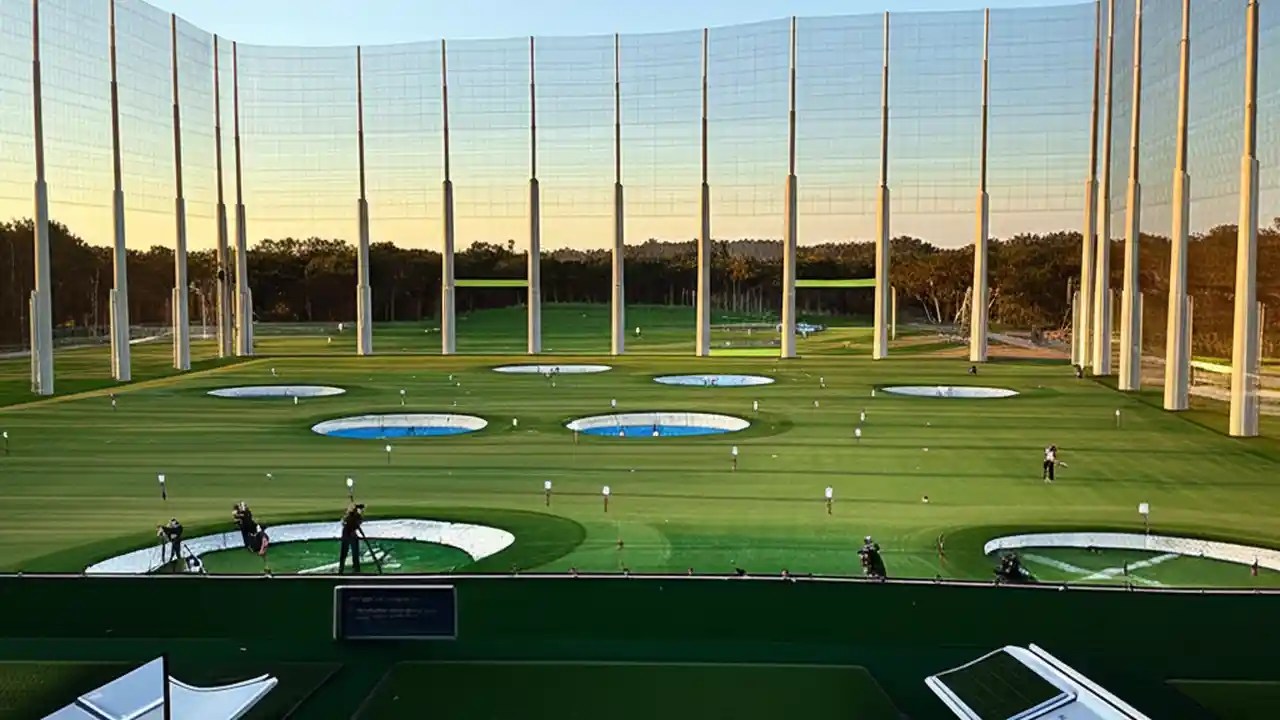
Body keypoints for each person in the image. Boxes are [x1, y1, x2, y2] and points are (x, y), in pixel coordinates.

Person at [339, 503, 365, 574]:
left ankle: (356, 569)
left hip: (351, 536)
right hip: (348, 536)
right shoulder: (350, 516)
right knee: (344, 553)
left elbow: (356, 524)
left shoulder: (357, 517)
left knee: (354, 554)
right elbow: (344, 522)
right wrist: (352, 514)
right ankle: (341, 569)